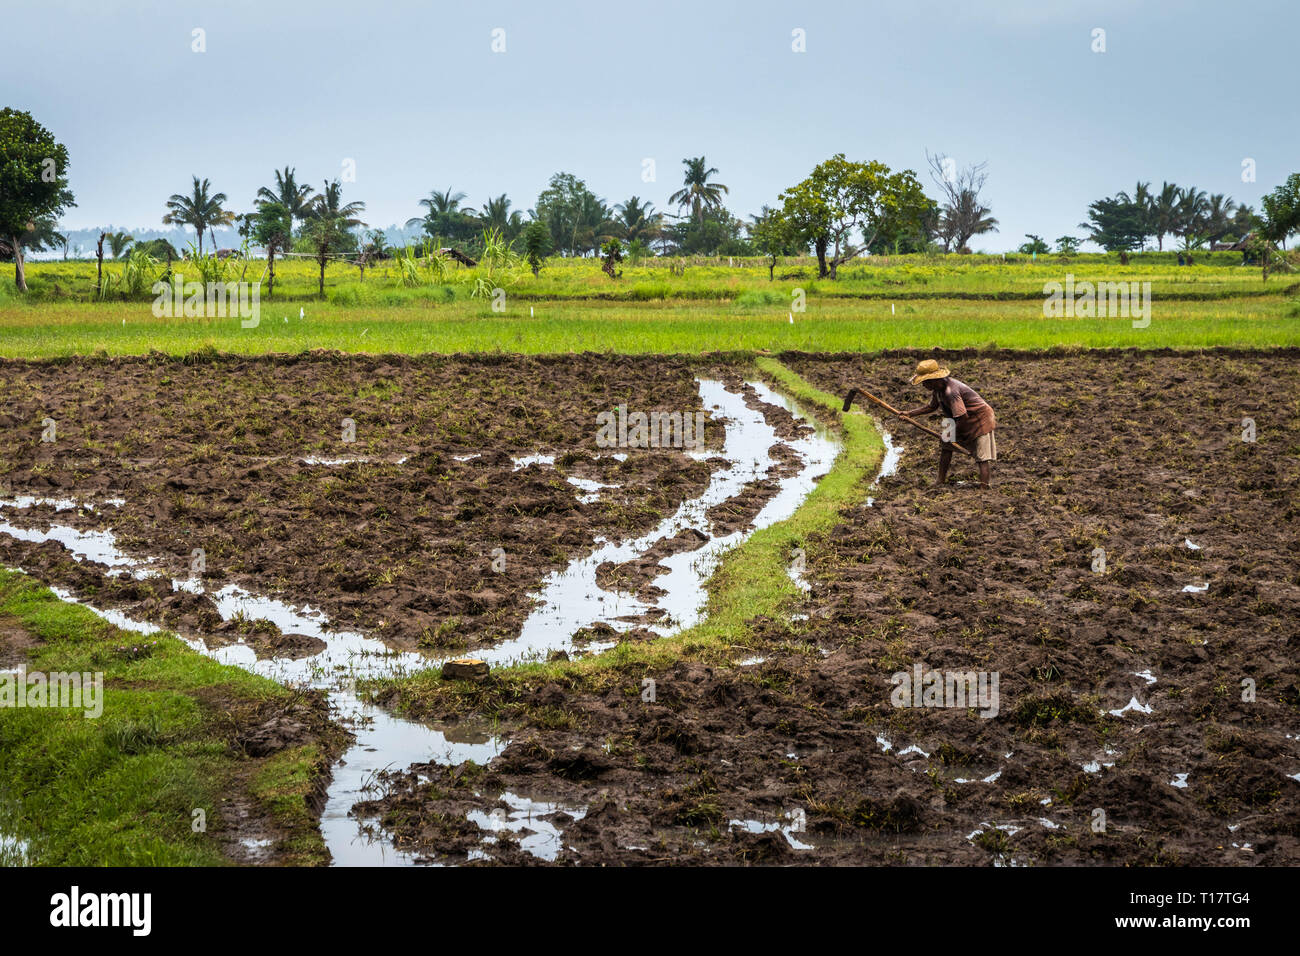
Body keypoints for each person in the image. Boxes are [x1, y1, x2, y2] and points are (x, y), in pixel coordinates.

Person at [901, 359, 997, 489]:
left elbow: (963, 417)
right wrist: (910, 413)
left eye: (925, 382)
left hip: (979, 419)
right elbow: (931, 407)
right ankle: (940, 481)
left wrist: (950, 434)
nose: (923, 385)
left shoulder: (950, 391)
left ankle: (984, 489)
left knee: (982, 457)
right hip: (954, 418)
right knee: (945, 448)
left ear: (934, 380)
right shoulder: (938, 390)